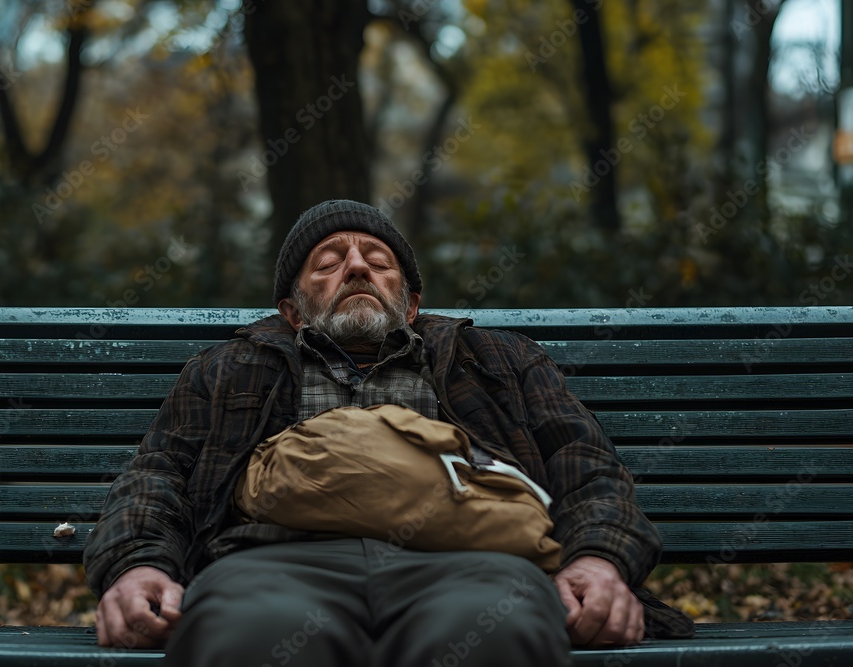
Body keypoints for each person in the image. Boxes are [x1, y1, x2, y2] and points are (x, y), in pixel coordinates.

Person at [84, 199, 692, 666]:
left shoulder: (495, 360)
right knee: (249, 634)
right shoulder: (230, 370)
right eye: (327, 262)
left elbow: (587, 466)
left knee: (493, 631)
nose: (355, 266)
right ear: (292, 311)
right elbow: (156, 475)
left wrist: (597, 560)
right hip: (270, 565)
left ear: (410, 305)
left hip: (473, 563)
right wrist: (138, 566)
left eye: (378, 262)